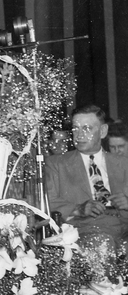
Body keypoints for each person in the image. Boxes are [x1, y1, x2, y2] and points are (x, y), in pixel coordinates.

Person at [46, 104, 128, 243]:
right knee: (101, 241)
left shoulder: (123, 163)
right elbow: (47, 201)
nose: (79, 135)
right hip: (82, 232)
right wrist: (78, 209)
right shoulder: (56, 164)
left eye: (87, 128)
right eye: (75, 128)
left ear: (102, 131)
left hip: (123, 229)